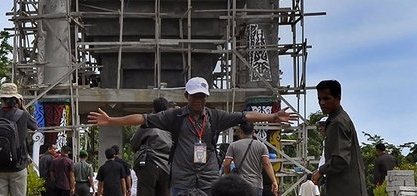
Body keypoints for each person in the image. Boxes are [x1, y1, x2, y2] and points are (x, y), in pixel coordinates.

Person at [88, 77, 293, 195]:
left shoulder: (215, 116)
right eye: (195, 95)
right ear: (186, 96)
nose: (199, 100)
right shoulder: (174, 116)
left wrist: (273, 115)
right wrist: (112, 121)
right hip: (182, 178)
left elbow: (245, 115)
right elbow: (142, 118)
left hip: (208, 177)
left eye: (202, 96)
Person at [310, 80, 367, 196]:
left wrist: (321, 172)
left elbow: (341, 159)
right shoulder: (337, 119)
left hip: (346, 188)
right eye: (319, 99)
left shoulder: (338, 122)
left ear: (338, 98)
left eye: (326, 98)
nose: (322, 103)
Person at [0, 82, 40, 196]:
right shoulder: (23, 115)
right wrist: (23, 108)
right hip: (18, 166)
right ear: (17, 99)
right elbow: (35, 126)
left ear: (2, 99)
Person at [131, 97, 173, 196]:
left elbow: (134, 143)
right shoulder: (171, 125)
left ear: (153, 109)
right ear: (167, 109)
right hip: (167, 166)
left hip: (149, 163)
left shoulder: (148, 123)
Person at [221, 122, 277, 196]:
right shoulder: (261, 146)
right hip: (256, 184)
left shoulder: (233, 146)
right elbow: (266, 163)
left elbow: (227, 164)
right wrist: (274, 181)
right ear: (253, 132)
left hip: (239, 185)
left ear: (240, 131)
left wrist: (228, 176)